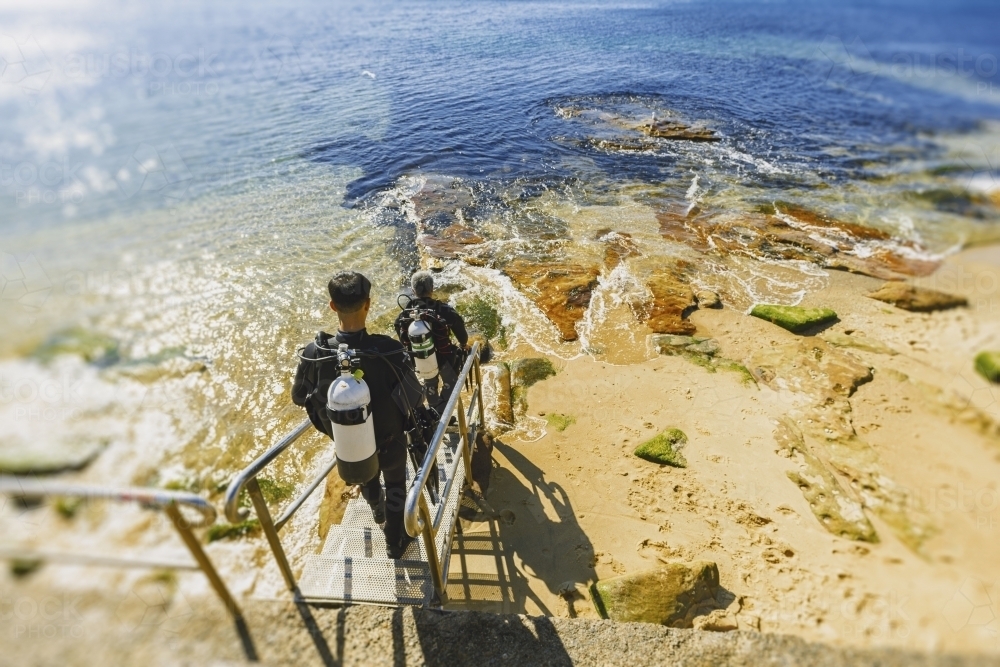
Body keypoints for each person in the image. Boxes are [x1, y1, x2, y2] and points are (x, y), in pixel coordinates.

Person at [291, 271, 424, 559]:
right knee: (396, 482)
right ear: (369, 303)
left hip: (351, 445)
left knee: (367, 477)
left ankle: (376, 511)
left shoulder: (315, 353)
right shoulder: (388, 350)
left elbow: (298, 397)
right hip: (391, 443)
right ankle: (395, 542)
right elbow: (416, 397)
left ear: (332, 306)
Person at [394, 271, 469, 411]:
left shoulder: (404, 315)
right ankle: (441, 413)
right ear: (432, 289)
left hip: (421, 358)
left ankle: (434, 410)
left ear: (413, 291)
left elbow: (401, 334)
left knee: (429, 383)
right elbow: (460, 331)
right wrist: (463, 344)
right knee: (451, 383)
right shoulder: (444, 310)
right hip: (445, 357)